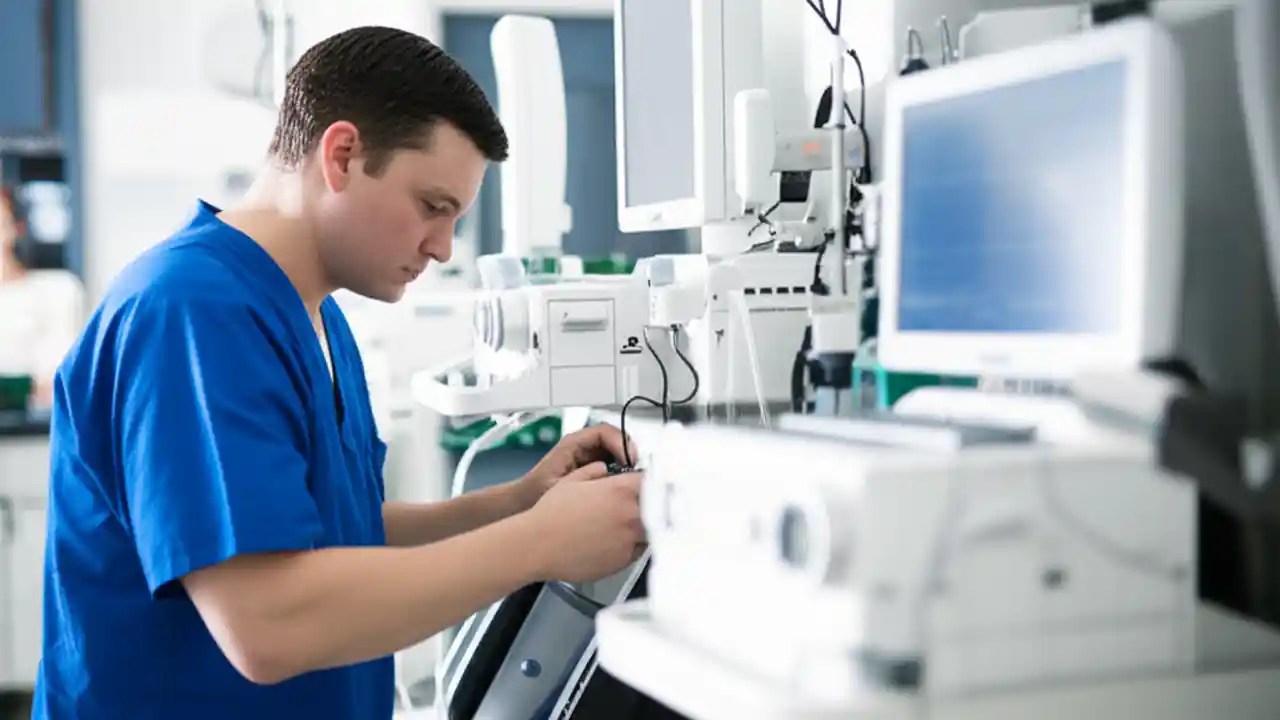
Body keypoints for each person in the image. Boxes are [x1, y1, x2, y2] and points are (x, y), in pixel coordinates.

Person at [34, 26, 645, 719]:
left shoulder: (317, 314)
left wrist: (518, 503)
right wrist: (541, 543)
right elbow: (266, 624)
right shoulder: (190, 311)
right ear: (343, 154)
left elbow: (335, 526)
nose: (443, 248)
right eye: (433, 206)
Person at [0, 190, 83, 409]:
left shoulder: (56, 291)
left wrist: (22, 387)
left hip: (31, 432)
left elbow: (54, 380)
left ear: (16, 228)